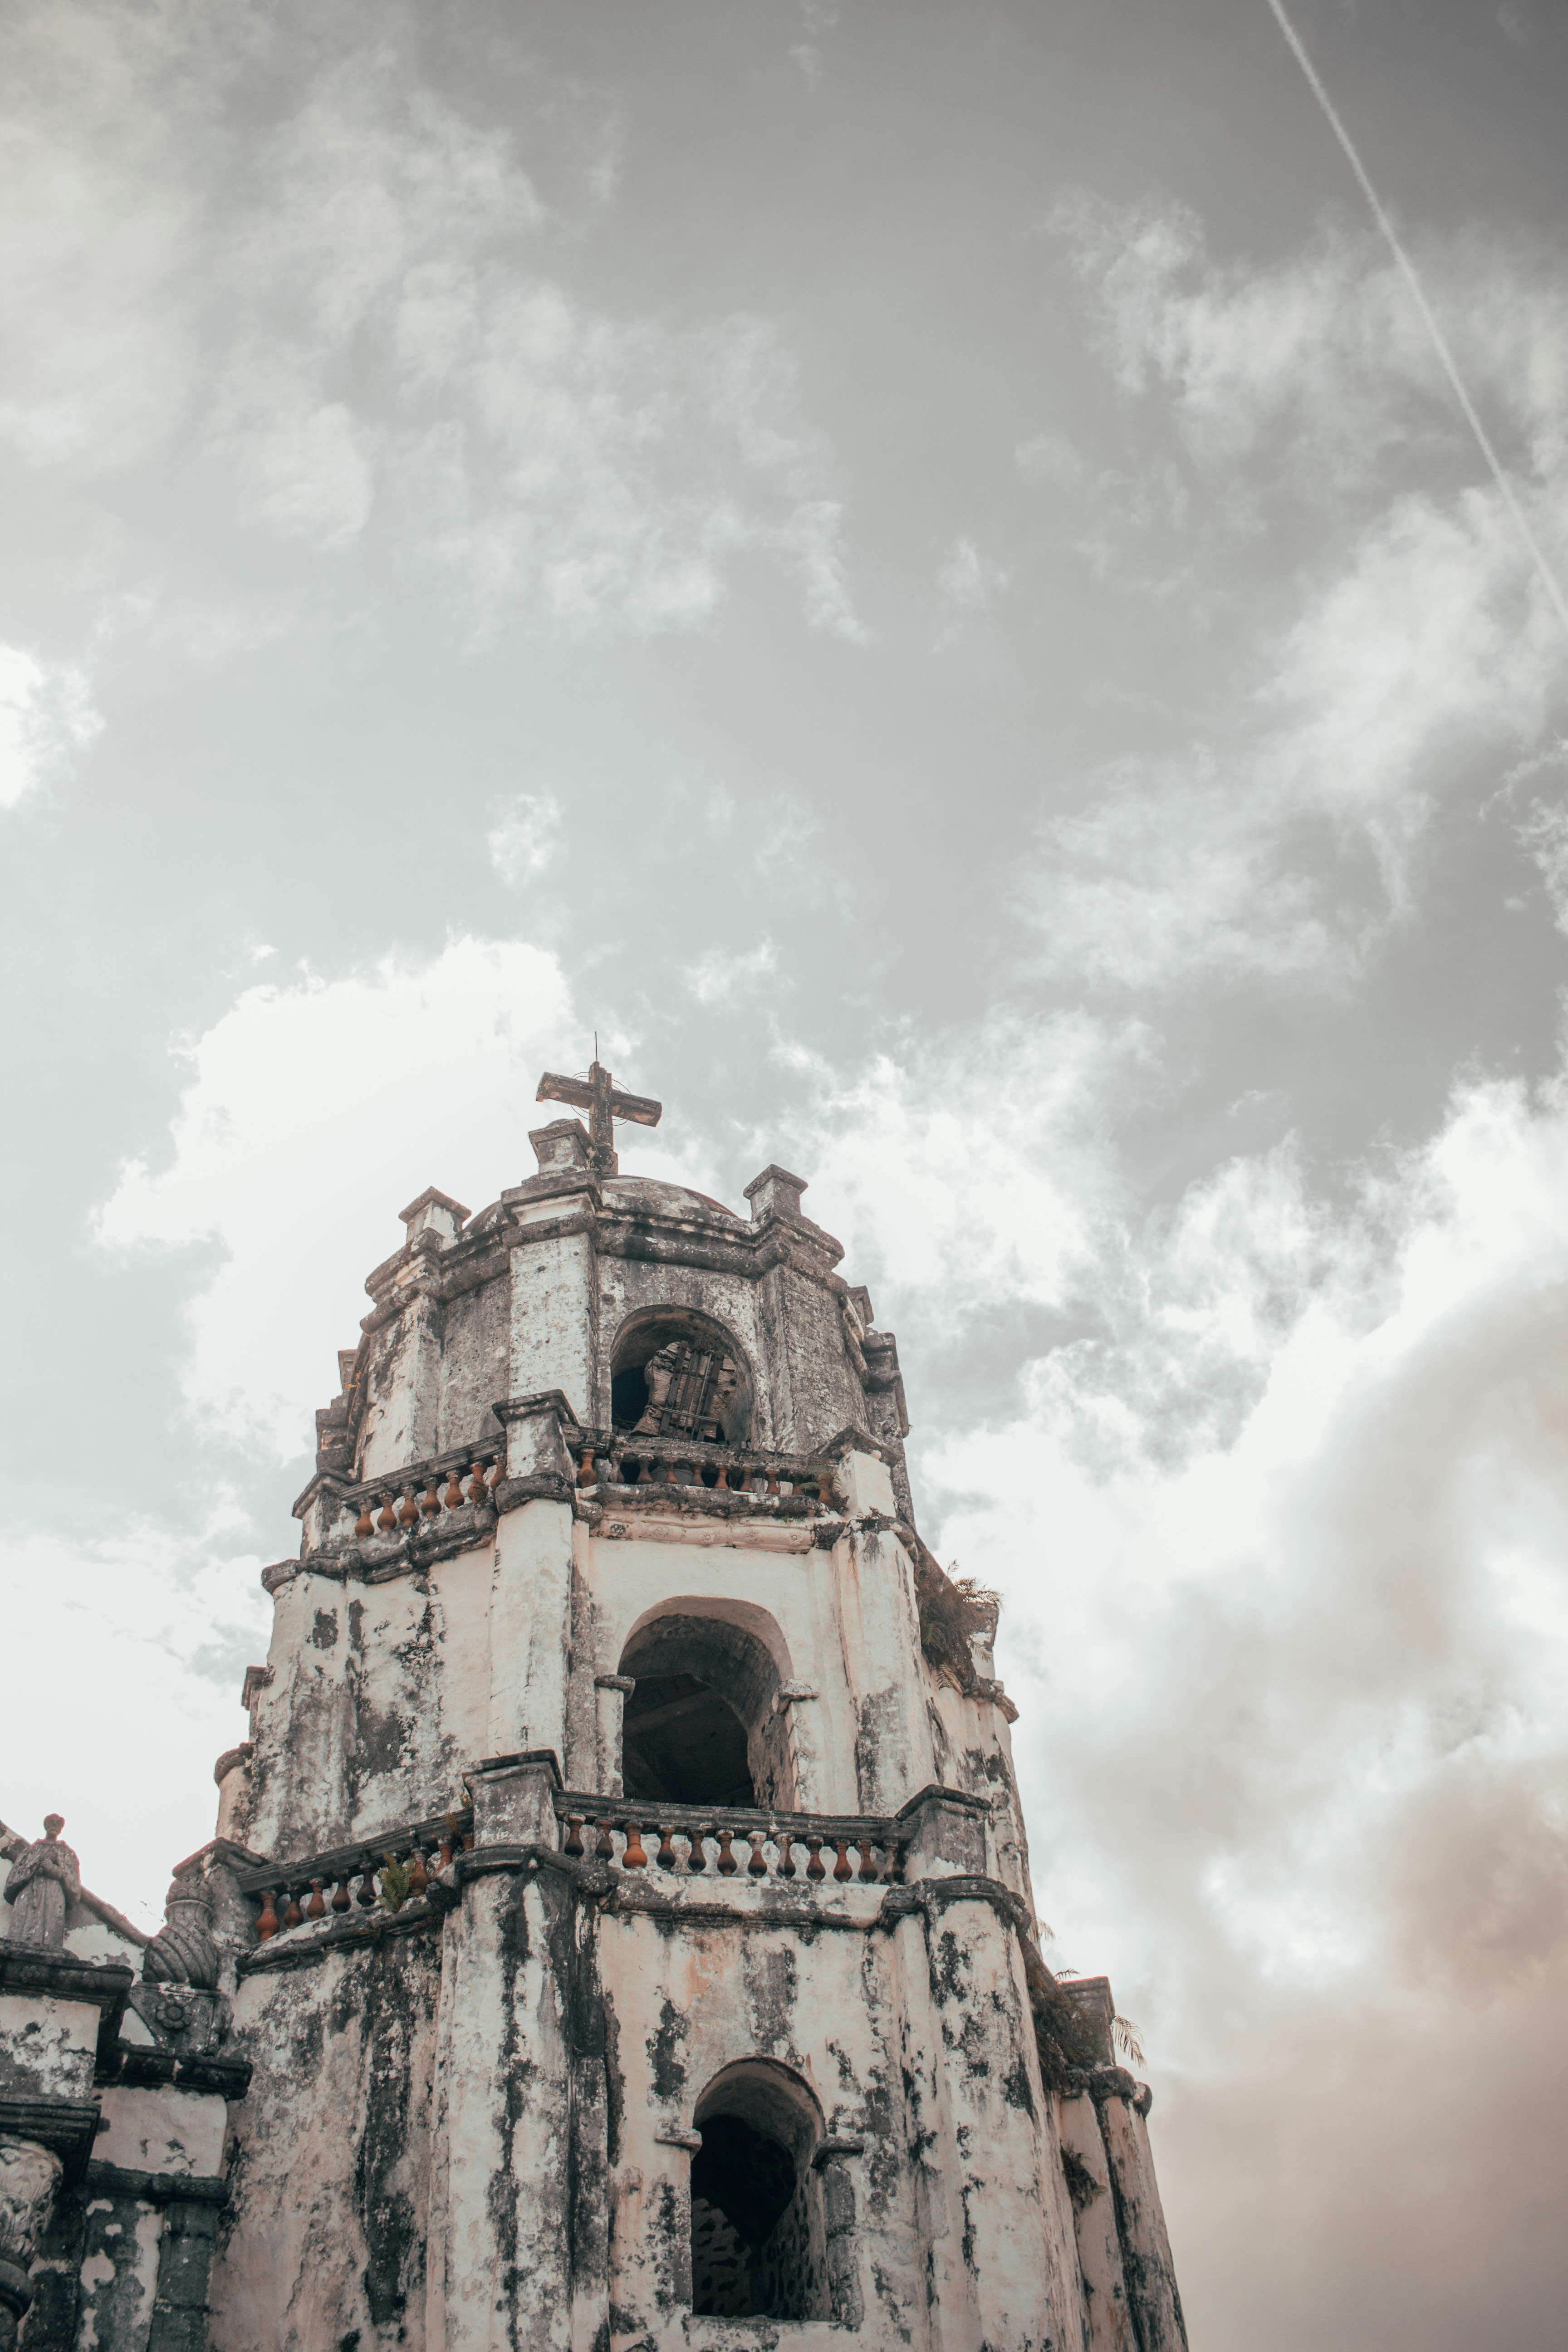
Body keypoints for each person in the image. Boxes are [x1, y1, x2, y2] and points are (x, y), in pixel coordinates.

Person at [3, 1815, 81, 1949]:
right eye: (51, 1822)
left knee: (51, 1927)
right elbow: (14, 1878)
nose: (54, 1826)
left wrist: (54, 1871)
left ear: (61, 1829)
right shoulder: (32, 1850)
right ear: (45, 1825)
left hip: (53, 1893)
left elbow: (73, 1886)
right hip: (30, 1892)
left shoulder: (67, 1853)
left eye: (58, 1824)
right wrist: (37, 1866)